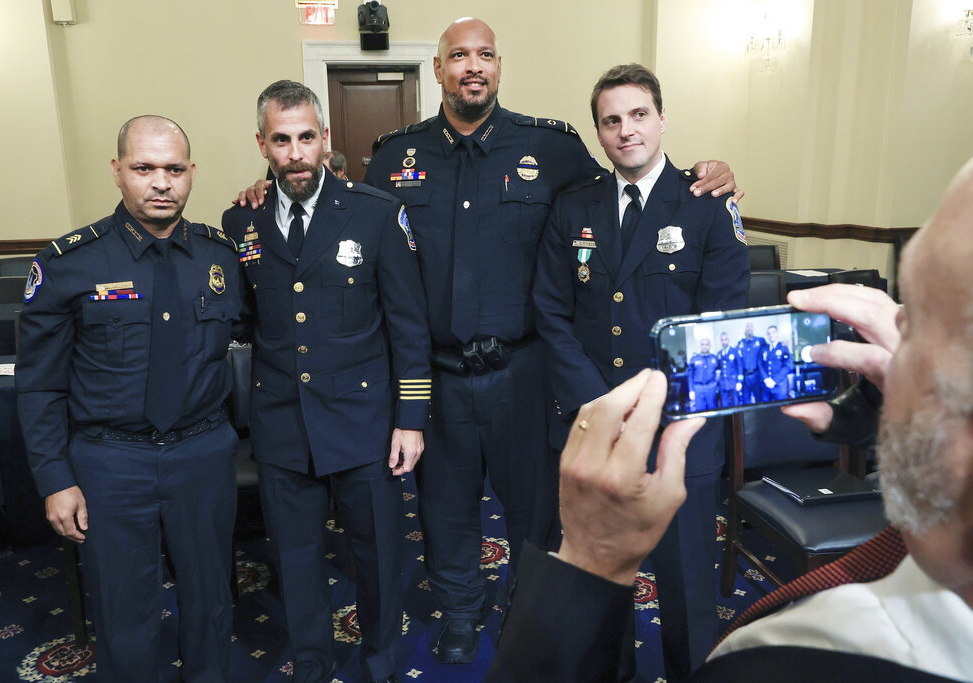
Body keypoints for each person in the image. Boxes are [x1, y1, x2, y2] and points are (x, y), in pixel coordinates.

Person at [235, 18, 738, 665]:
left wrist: (708, 172)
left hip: (524, 372)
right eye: (458, 56)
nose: (473, 66)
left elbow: (622, 189)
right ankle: (461, 613)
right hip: (437, 374)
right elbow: (337, 210)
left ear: (500, 66)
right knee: (444, 510)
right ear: (438, 70)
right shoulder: (395, 156)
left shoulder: (551, 148)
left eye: (485, 55)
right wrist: (262, 185)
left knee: (534, 514)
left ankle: (523, 611)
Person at [489, 139, 973, 683]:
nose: (887, 340)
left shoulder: (782, 658)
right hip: (599, 400)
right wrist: (907, 426)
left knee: (688, 579)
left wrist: (591, 566)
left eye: (919, 322)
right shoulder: (935, 550)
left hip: (684, 424)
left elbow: (723, 301)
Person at [532, 63, 748, 679]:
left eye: (638, 115)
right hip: (593, 427)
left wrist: (649, 408)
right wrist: (600, 408)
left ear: (661, 119)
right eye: (611, 120)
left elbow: (720, 324)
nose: (626, 130)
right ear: (598, 133)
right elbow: (551, 310)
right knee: (601, 578)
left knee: (686, 586)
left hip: (677, 433)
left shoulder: (708, 206)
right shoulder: (573, 207)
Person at [16, 116, 242, 683]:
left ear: (192, 174)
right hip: (110, 463)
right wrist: (53, 478)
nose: (160, 182)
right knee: (124, 611)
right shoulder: (70, 263)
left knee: (211, 598)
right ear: (118, 171)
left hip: (202, 455)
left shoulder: (222, 257)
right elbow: (40, 383)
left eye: (173, 169)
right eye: (144, 168)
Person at [221, 80, 431, 683]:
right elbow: (240, 317)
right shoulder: (242, 221)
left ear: (325, 139)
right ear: (262, 143)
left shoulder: (375, 213)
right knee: (297, 556)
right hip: (284, 422)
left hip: (364, 424)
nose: (295, 153)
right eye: (281, 140)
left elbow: (408, 329)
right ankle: (311, 660)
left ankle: (382, 658)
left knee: (379, 554)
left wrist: (410, 420)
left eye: (306, 138)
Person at [758, 325, 792, 401]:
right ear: (767, 336)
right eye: (769, 333)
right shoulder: (764, 349)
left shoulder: (783, 347)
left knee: (780, 408)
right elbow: (760, 364)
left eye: (773, 332)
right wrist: (766, 379)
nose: (771, 335)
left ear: (777, 334)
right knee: (766, 409)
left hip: (779, 385)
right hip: (766, 385)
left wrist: (774, 381)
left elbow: (787, 366)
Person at [688, 338, 721, 412]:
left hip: (711, 387)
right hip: (698, 388)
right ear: (700, 346)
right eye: (702, 344)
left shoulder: (715, 358)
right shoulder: (694, 359)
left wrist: (717, 386)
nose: (704, 346)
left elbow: (720, 372)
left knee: (712, 410)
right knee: (700, 411)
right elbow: (690, 376)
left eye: (706, 344)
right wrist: (691, 390)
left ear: (710, 346)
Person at [736, 322, 766, 404]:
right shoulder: (740, 343)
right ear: (745, 330)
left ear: (753, 329)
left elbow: (770, 347)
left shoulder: (760, 341)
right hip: (745, 377)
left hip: (756, 375)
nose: (749, 328)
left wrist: (783, 344)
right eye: (747, 327)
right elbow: (737, 358)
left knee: (758, 399)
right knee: (745, 400)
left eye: (751, 327)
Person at [717, 332, 741, 407]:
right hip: (723, 383)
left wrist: (739, 382)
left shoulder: (735, 351)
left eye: (725, 339)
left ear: (728, 340)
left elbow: (740, 367)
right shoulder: (719, 353)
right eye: (722, 340)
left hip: (733, 382)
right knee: (724, 405)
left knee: (736, 404)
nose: (724, 342)